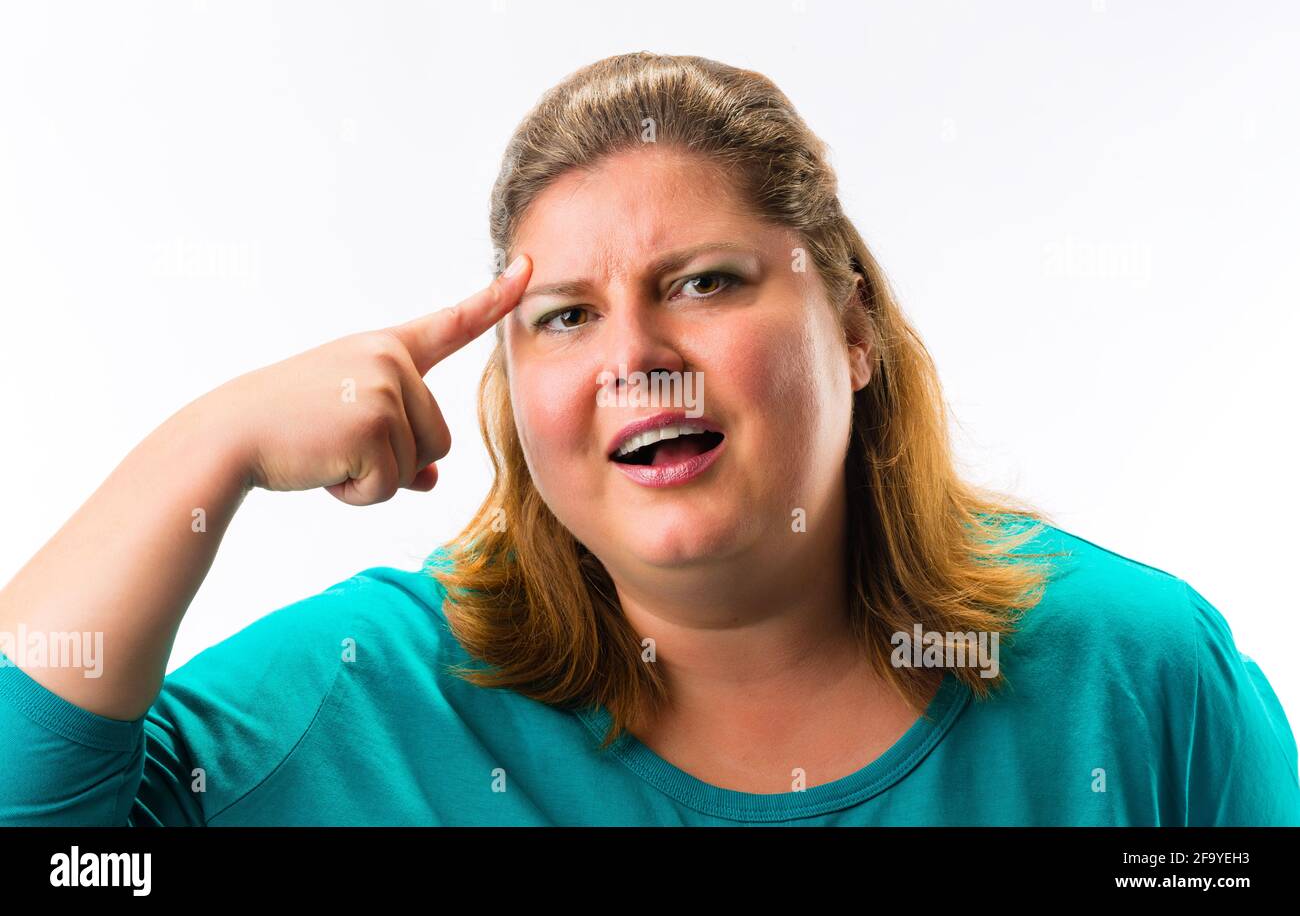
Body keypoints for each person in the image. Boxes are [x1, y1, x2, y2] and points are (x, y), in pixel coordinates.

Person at [1, 52, 1296, 826]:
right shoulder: (367, 694)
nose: (633, 356)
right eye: (565, 316)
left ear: (850, 322)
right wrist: (203, 448)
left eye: (706, 283)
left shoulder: (1135, 680)